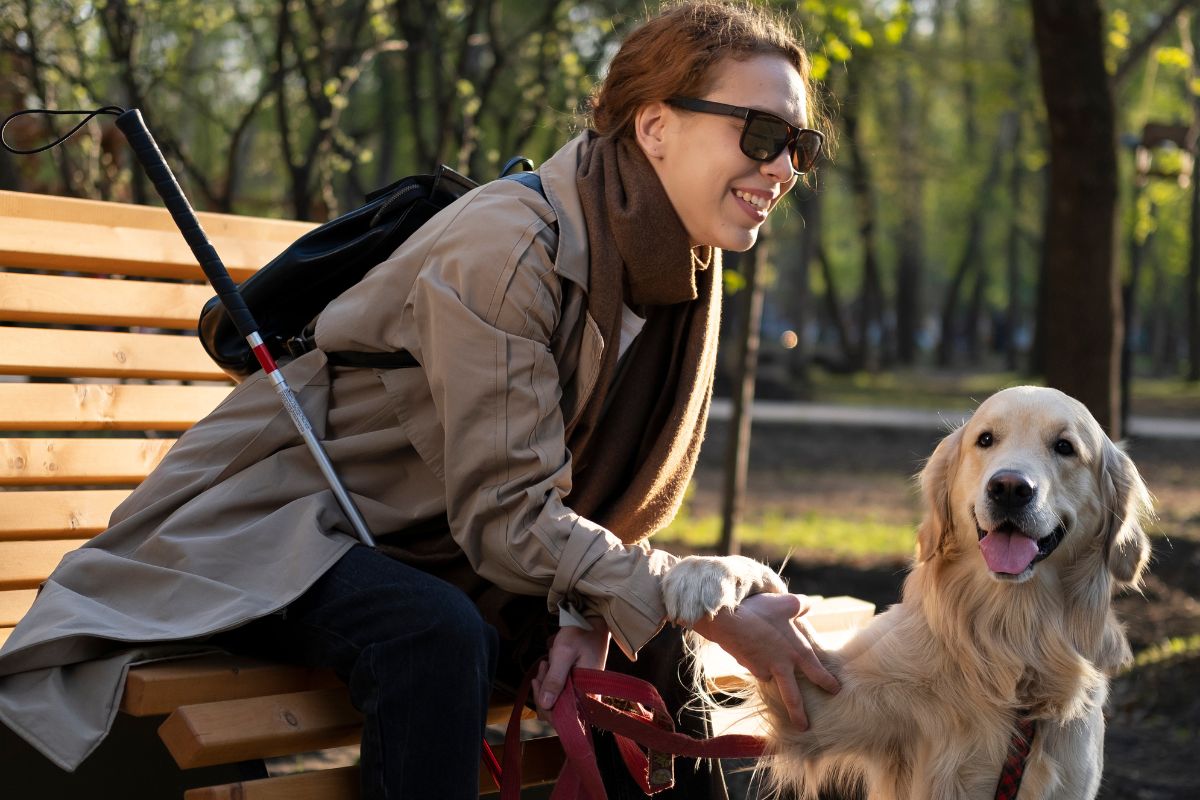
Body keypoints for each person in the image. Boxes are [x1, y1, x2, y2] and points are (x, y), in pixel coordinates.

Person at [0, 1, 838, 797]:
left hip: (434, 540)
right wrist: (706, 607)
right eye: (761, 133)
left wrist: (592, 604)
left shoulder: (677, 266)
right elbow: (509, 517)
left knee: (651, 648)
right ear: (654, 126)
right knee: (433, 636)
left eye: (798, 144)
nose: (781, 167)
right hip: (280, 529)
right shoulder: (509, 249)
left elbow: (562, 514)